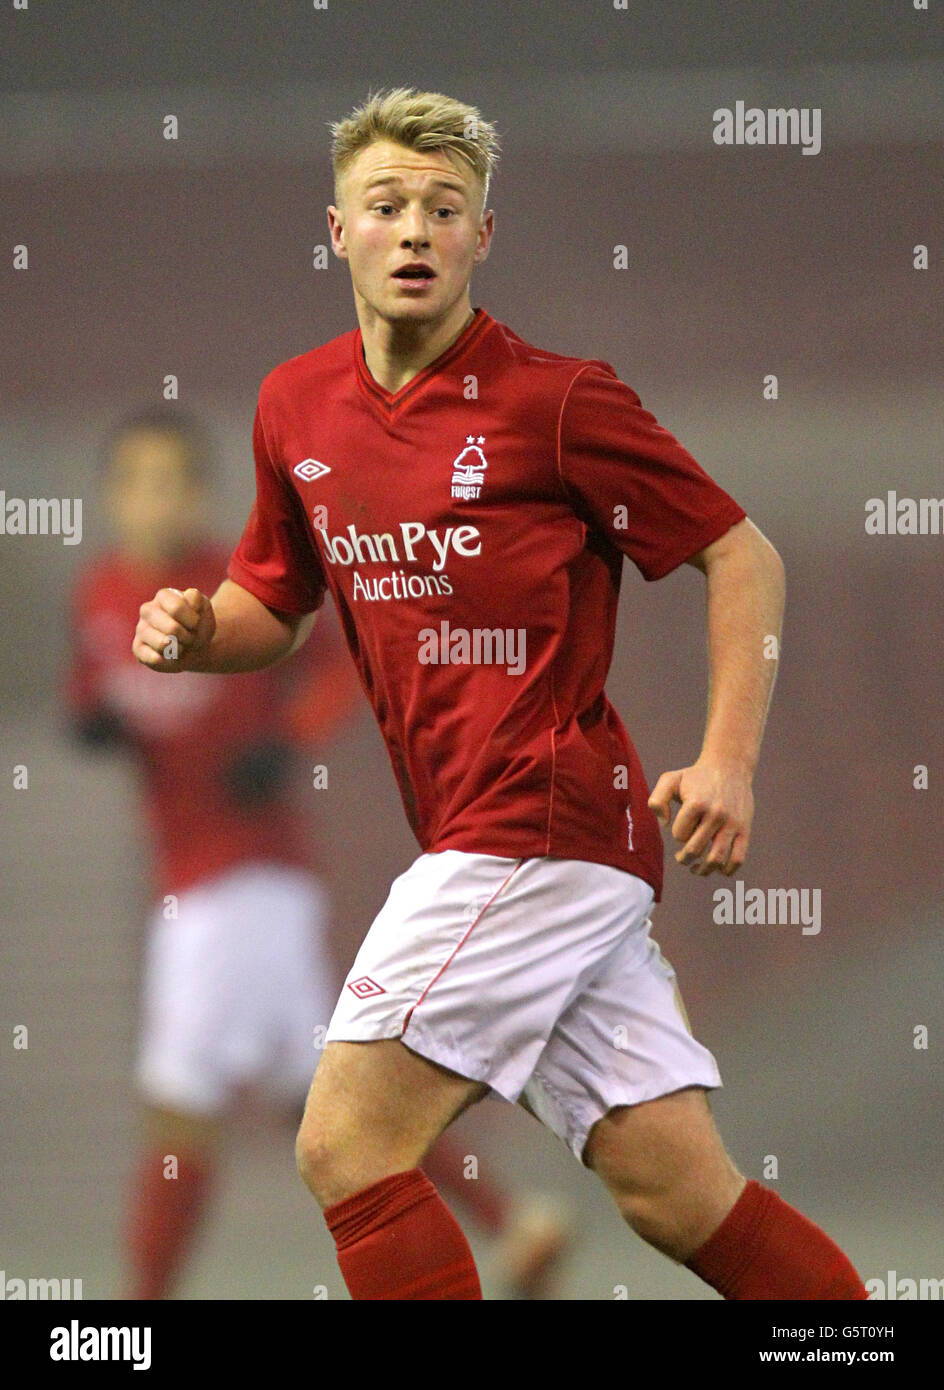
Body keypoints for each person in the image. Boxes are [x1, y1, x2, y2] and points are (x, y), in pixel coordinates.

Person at [130, 87, 868, 1300]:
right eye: (386, 206)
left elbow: (741, 555)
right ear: (337, 229)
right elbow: (275, 602)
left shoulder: (555, 401)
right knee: (675, 1191)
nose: (413, 229)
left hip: (531, 827)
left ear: (483, 236)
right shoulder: (294, 405)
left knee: (345, 1141)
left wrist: (727, 758)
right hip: (539, 847)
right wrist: (198, 631)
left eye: (443, 207)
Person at [71, 406, 568, 1299]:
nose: (155, 499)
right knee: (329, 1106)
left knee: (183, 1114)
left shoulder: (227, 584)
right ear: (112, 495)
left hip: (240, 887)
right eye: (136, 481)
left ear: (200, 492)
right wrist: (93, 721)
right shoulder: (103, 595)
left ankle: (132, 1319)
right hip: (194, 886)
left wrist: (289, 740)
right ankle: (511, 1222)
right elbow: (93, 685)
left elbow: (342, 659)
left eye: (172, 480)